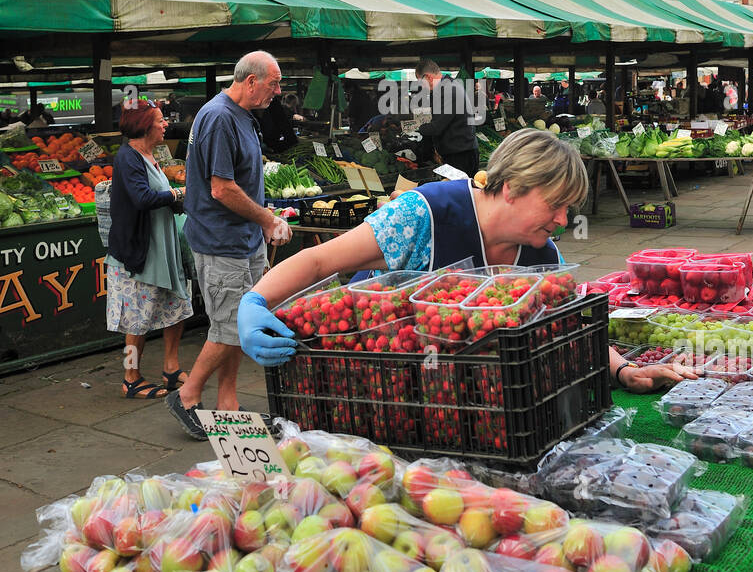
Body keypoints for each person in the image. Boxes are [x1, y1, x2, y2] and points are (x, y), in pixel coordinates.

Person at [236, 130, 697, 393]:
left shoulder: (540, 255)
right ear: (513, 187)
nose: (562, 220)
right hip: (377, 383)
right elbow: (319, 262)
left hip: (464, 399)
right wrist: (255, 302)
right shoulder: (425, 213)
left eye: (567, 211)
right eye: (556, 205)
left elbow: (564, 324)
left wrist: (622, 370)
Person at [165, 51, 289, 438]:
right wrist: (268, 219)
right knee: (229, 326)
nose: (278, 91)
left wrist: (262, 221)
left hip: (242, 238)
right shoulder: (219, 118)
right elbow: (221, 189)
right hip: (221, 242)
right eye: (274, 83)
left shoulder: (243, 116)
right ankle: (186, 395)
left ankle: (228, 404)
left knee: (240, 322)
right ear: (250, 81)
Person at [106, 103, 191, 399]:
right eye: (160, 120)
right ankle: (131, 377)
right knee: (135, 320)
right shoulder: (127, 157)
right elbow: (142, 198)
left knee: (176, 307)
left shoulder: (148, 155)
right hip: (138, 253)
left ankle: (170, 367)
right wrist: (176, 194)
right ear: (144, 126)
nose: (165, 124)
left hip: (162, 249)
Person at [411, 58, 479, 177]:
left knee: (458, 193)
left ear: (428, 77)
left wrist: (416, 128)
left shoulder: (449, 91)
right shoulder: (446, 87)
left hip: (461, 155)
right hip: (459, 152)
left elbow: (437, 127)